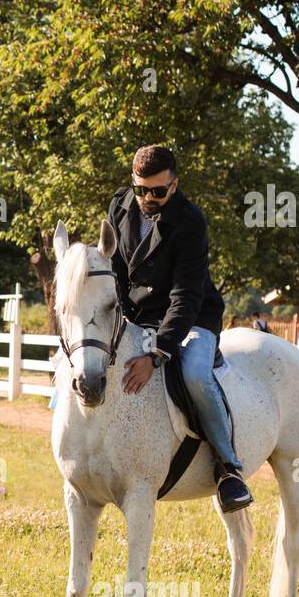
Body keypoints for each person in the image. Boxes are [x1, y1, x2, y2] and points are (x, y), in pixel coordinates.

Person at [106, 145, 252, 513]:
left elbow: (185, 296)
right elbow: (118, 273)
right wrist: (124, 321)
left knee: (194, 375)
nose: (148, 198)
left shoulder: (190, 221)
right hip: (138, 316)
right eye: (142, 190)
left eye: (158, 191)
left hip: (191, 316)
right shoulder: (119, 205)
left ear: (175, 184)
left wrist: (156, 353)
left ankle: (228, 468)